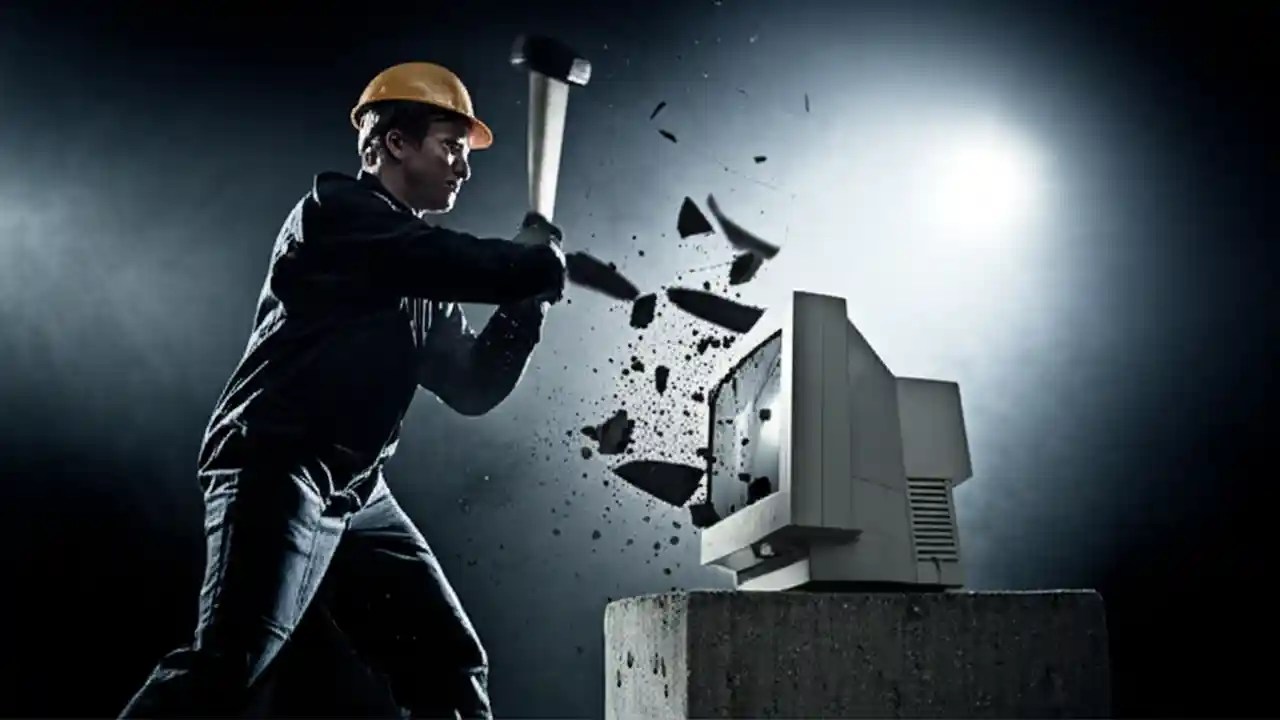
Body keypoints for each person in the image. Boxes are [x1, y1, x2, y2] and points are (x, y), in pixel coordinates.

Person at [120, 61, 566, 719]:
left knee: (446, 665)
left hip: (356, 492)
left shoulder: (417, 267)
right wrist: (525, 264)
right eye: (451, 146)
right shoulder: (336, 214)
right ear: (393, 143)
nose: (463, 168)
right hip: (278, 465)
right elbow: (443, 261)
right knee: (230, 665)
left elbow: (472, 386)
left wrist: (527, 302)